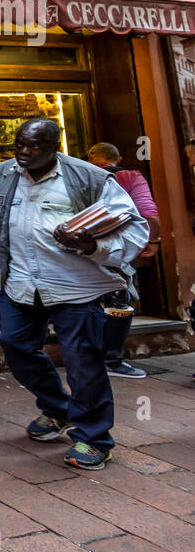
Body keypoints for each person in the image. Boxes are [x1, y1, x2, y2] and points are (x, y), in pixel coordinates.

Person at [0, 119, 149, 470]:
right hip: (21, 284)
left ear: (54, 145)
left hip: (78, 287)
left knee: (83, 363)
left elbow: (136, 228)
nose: (24, 152)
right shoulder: (4, 174)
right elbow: (1, 222)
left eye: (34, 145)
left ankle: (94, 439)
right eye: (19, 144)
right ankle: (58, 408)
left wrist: (94, 244)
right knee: (15, 346)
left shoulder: (87, 177)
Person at [86, 142, 161, 379]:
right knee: (119, 302)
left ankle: (87, 356)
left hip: (83, 247)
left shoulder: (80, 174)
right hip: (120, 250)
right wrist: (154, 240)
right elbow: (148, 213)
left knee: (86, 300)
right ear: (118, 159)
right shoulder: (130, 176)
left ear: (90, 158)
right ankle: (111, 360)